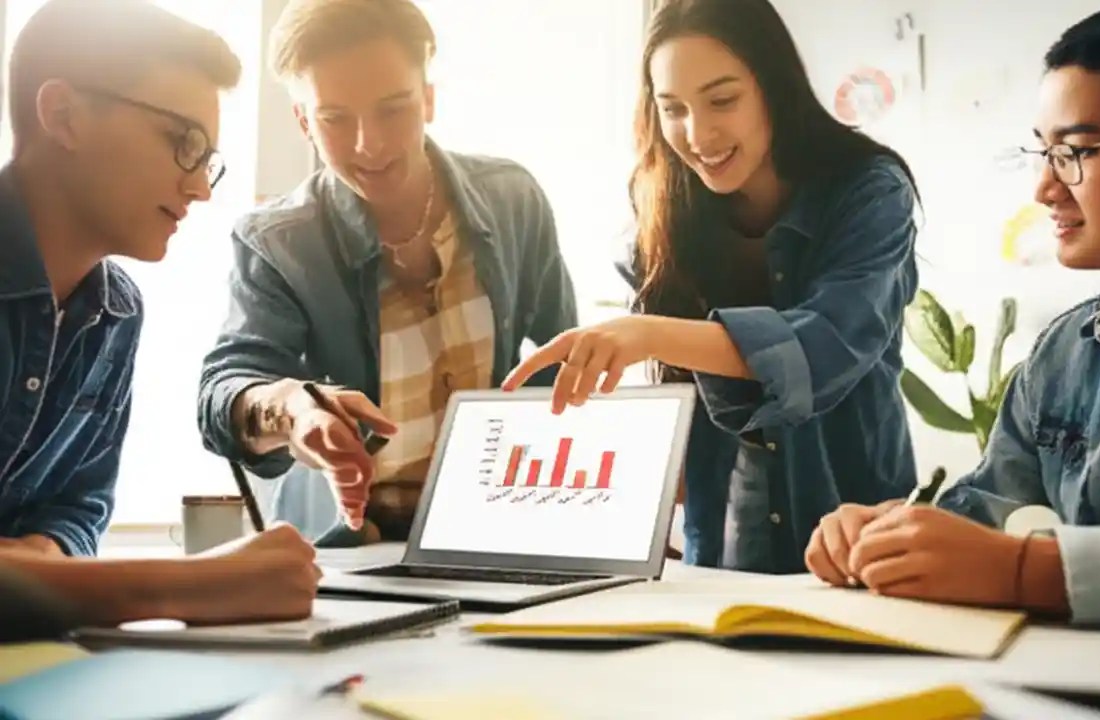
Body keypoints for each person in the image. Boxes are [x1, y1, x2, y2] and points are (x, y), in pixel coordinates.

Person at [806, 0, 1100, 635]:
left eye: (1076, 152)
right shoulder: (1067, 350)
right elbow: (978, 521)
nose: (1045, 189)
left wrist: (1028, 572)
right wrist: (887, 536)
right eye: (1043, 153)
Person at [503, 0, 920, 573]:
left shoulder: (869, 193)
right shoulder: (659, 220)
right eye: (672, 109)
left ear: (773, 86)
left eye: (722, 100)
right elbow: (682, 393)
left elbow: (824, 349)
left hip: (852, 520)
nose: (697, 134)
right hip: (721, 526)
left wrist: (648, 333)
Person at [197, 0, 576, 547]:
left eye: (393, 109)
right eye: (334, 119)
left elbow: (560, 371)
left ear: (428, 98)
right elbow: (222, 393)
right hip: (346, 551)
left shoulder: (513, 199)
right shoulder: (276, 242)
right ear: (303, 121)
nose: (367, 144)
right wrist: (294, 410)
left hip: (496, 538)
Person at [0, 0, 317, 622]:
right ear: (63, 114)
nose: (200, 188)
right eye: (184, 143)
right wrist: (196, 585)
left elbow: (78, 507)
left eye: (209, 162)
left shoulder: (117, 312)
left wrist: (41, 562)